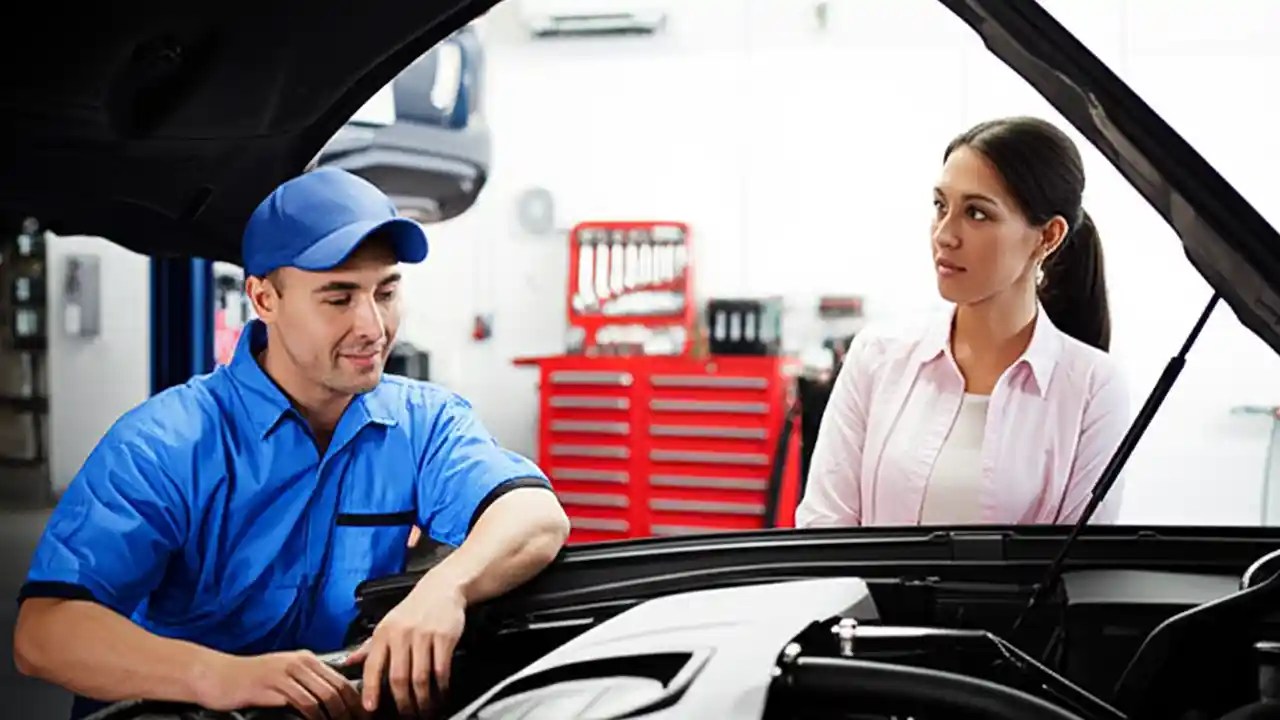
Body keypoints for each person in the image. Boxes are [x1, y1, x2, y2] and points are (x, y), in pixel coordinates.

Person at [13, 167, 571, 720]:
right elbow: (46, 631)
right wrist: (220, 675)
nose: (373, 326)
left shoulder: (421, 423)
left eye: (386, 291)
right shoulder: (166, 442)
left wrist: (445, 588)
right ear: (264, 298)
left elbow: (534, 515)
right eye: (338, 298)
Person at [796, 116, 1131, 528]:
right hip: (868, 596)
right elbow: (824, 525)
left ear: (1048, 237)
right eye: (941, 206)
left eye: (976, 213)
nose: (944, 234)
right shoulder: (877, 355)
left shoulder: (1093, 387)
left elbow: (1083, 566)